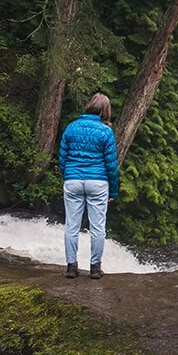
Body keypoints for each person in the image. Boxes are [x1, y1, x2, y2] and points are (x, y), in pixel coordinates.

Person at [58, 93, 119, 279]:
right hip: (98, 181)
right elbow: (111, 164)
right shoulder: (105, 132)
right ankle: (95, 268)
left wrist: (68, 176)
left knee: (72, 226)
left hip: (73, 180)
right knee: (98, 227)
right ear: (105, 111)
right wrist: (113, 190)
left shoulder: (71, 127)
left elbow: (62, 158)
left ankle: (71, 267)